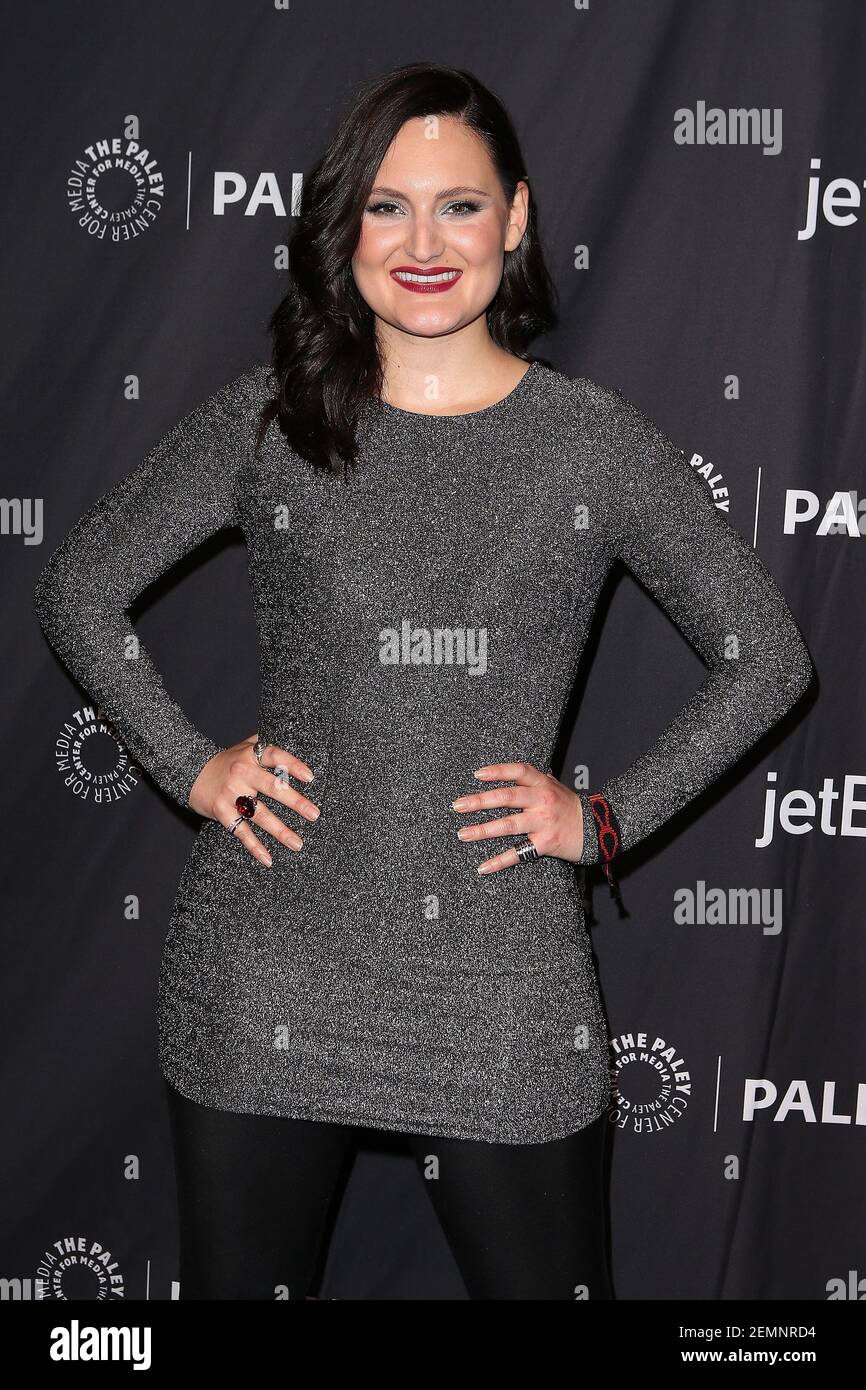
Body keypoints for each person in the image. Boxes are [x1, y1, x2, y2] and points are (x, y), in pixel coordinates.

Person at [33, 62, 814, 1301]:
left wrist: (601, 818)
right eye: (384, 207)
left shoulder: (592, 445)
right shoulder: (274, 425)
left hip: (502, 984)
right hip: (267, 966)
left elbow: (765, 657)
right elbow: (78, 583)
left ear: (515, 218)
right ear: (343, 232)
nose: (421, 242)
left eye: (457, 205)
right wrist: (194, 765)